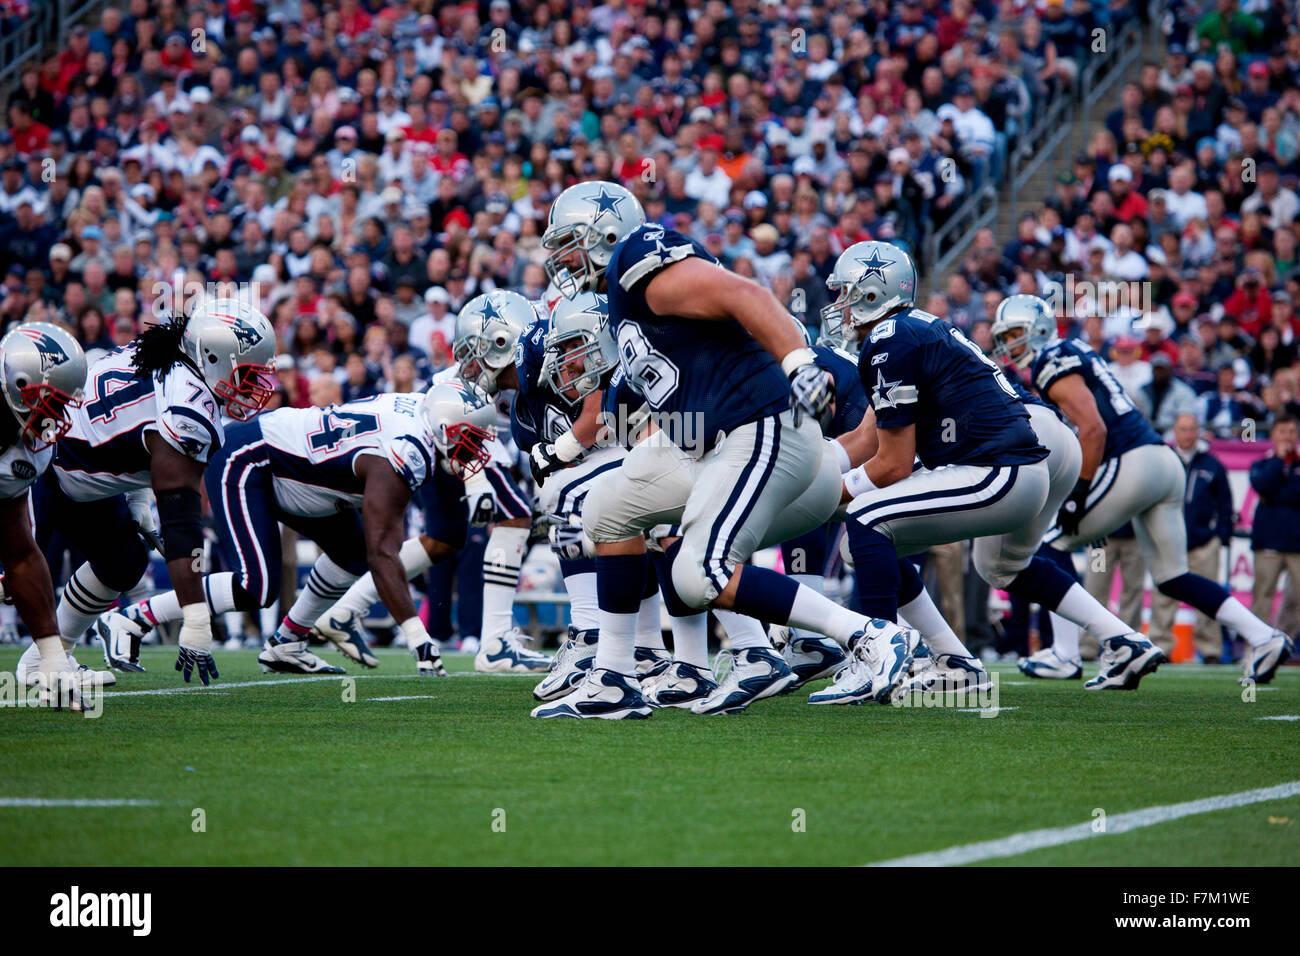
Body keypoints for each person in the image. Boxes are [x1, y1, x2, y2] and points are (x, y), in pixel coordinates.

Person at [532, 181, 894, 719]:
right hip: (724, 447)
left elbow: (746, 293)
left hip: (764, 426)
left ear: (603, 234)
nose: (561, 258)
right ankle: (613, 677)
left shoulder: (636, 258)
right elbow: (640, 414)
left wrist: (800, 365)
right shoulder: (622, 312)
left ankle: (867, 636)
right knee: (607, 507)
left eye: (568, 242)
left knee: (699, 573)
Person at [993, 295, 1293, 685]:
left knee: (1051, 543)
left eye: (1015, 334)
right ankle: (1263, 636)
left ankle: (1067, 654)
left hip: (1133, 461)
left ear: (1040, 329)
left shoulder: (1054, 360)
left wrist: (1079, 493)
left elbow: (1095, 429)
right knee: (1172, 576)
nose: (1009, 344)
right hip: (1160, 460)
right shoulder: (1075, 350)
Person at [105, 382, 497, 678]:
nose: (475, 452)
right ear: (444, 429)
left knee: (352, 554)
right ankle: (133, 617)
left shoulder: (425, 412)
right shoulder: (406, 450)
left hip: (305, 475)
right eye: (470, 439)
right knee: (256, 586)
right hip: (254, 460)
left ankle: (288, 642)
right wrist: (418, 637)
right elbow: (385, 553)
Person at [18, 299, 276, 688]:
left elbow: (134, 425)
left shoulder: (167, 354)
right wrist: (195, 616)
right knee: (18, 577)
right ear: (211, 356)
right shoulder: (189, 409)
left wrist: (136, 497)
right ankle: (45, 661)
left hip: (72, 463)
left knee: (122, 562)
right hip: (42, 461)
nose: (255, 386)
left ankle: (43, 663)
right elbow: (182, 524)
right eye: (248, 374)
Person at [0, 322, 91, 707]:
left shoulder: (29, 448)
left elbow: (20, 552)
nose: (56, 416)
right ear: (18, 383)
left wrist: (54, 661)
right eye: (51, 401)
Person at [1148, 414, 1234, 661]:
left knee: (1207, 598)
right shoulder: (1162, 461)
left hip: (1203, 544)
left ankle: (1210, 650)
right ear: (1174, 432)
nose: (1187, 434)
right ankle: (1160, 647)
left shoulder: (1212, 464)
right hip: (1168, 543)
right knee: (1163, 599)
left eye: (1191, 429)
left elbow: (1225, 503)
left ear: (1198, 431)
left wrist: (1221, 536)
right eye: (1182, 429)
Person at [1249, 415, 1300, 638]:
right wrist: (1279, 461)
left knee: (1297, 598)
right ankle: (1258, 643)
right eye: (1282, 432)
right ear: (1273, 435)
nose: (1287, 437)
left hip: (1297, 542)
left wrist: (1276, 496)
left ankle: (1285, 643)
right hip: (1268, 541)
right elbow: (1263, 485)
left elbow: (1293, 494)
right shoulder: (1262, 463)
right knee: (1262, 596)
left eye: (1291, 432)